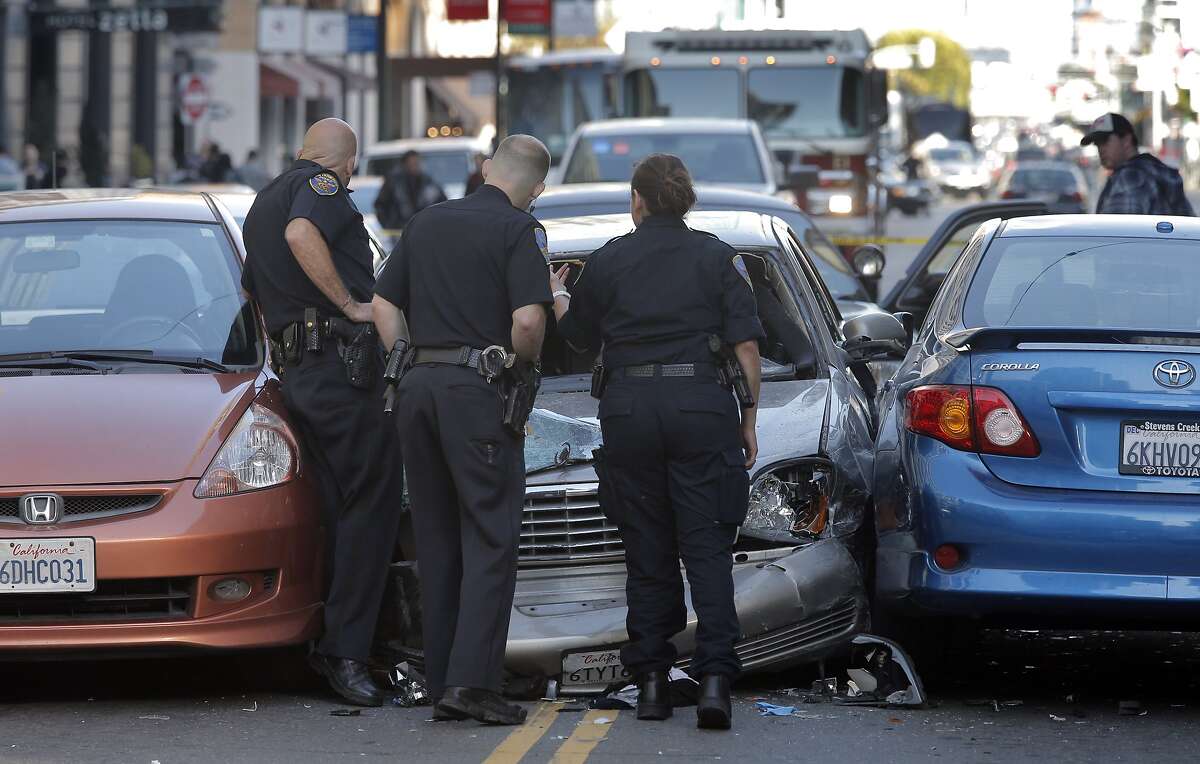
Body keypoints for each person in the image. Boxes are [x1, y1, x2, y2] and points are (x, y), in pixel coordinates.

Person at [548, 154, 763, 731]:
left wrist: (557, 295)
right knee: (707, 551)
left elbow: (573, 337)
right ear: (685, 199)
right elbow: (745, 348)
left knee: (647, 553)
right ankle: (715, 678)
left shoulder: (610, 260)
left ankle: (650, 684)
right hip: (701, 408)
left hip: (631, 411)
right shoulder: (719, 258)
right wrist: (748, 418)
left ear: (636, 200)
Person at [372, 134, 552, 725]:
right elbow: (527, 320)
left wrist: (407, 358)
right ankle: (474, 685)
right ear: (538, 189)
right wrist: (521, 361)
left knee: (437, 541)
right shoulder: (519, 231)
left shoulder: (425, 222)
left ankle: (445, 677)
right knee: (491, 538)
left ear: (484, 167)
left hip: (418, 390)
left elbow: (382, 304)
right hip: (477, 396)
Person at [241, 118, 404, 707]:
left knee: (335, 506)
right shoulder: (321, 189)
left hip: (301, 372)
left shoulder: (262, 201)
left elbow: (252, 286)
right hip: (339, 369)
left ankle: (329, 641)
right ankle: (349, 652)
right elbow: (303, 233)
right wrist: (351, 304)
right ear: (348, 164)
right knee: (373, 500)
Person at [1082, 112, 1195, 216]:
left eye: (1105, 140)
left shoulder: (1130, 177)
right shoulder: (1157, 173)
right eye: (1097, 144)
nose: (1101, 149)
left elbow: (1117, 234)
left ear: (1126, 140)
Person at [374, 150, 447, 229]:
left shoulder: (429, 183)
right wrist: (388, 226)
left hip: (424, 228)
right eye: (411, 163)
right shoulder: (394, 183)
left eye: (417, 163)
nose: (415, 166)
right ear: (404, 164)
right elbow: (380, 206)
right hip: (399, 231)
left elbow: (443, 203)